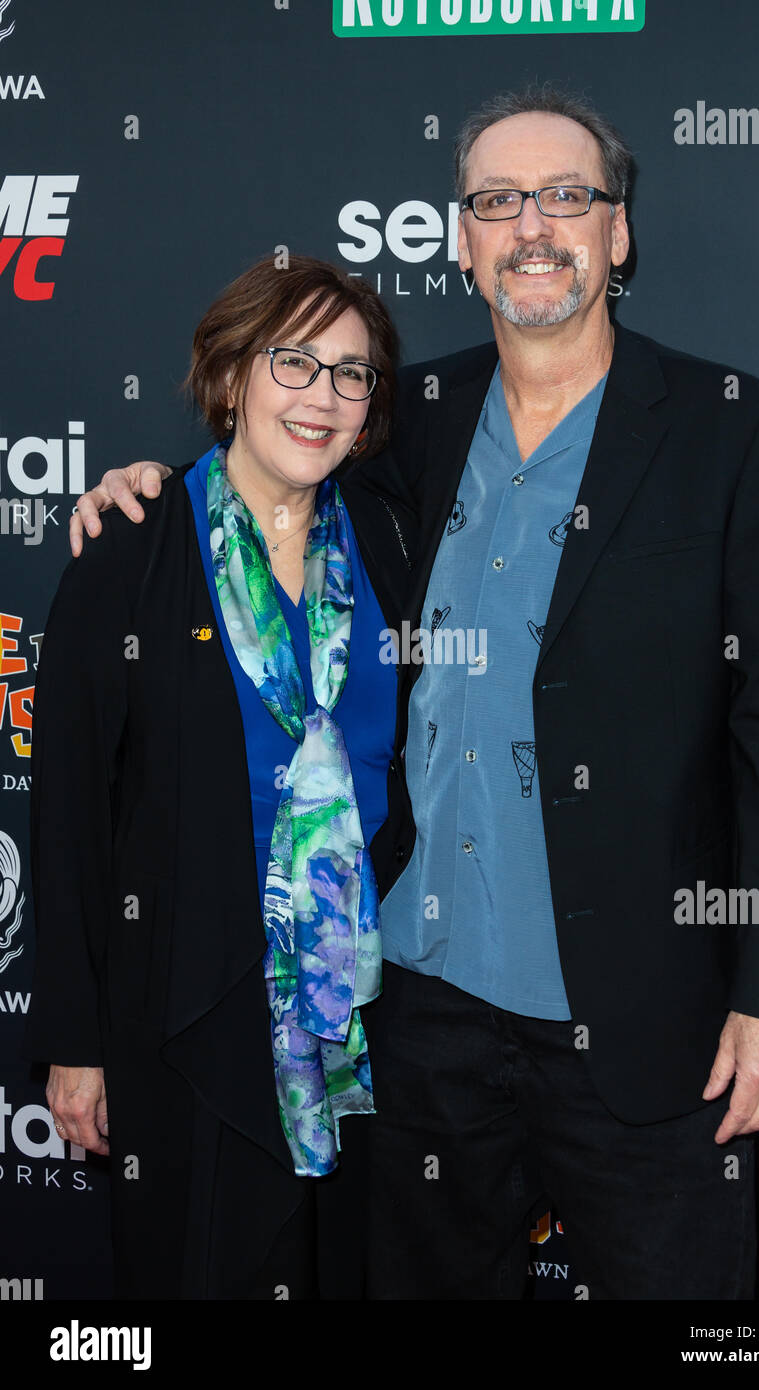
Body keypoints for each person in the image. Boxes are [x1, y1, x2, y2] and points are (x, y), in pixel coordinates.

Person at [70, 83, 759, 1301]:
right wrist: (147, 498)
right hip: (418, 1017)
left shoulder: (735, 432)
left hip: (648, 1028)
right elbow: (274, 476)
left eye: (564, 196)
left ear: (617, 230)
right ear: (463, 239)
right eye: (497, 201)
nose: (531, 225)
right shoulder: (408, 421)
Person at [23, 253, 414, 1299]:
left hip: (359, 1012)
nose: (321, 395)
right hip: (187, 1007)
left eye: (350, 373)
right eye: (293, 362)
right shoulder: (131, 551)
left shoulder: (385, 537)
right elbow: (66, 819)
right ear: (232, 374)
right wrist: (72, 1043)